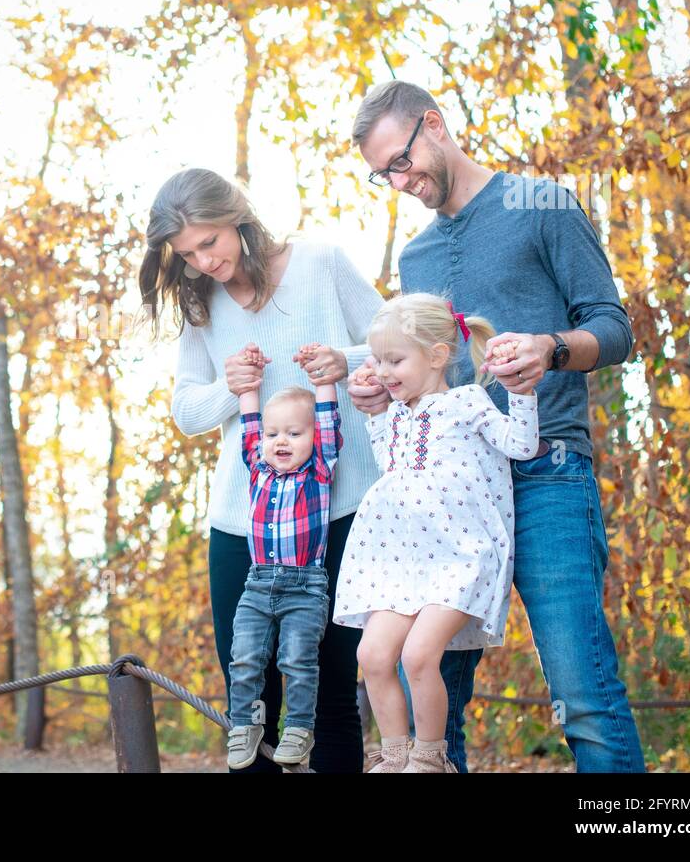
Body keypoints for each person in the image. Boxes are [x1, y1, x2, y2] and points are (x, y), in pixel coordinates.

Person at [346, 79, 646, 773]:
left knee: (581, 688)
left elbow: (615, 328)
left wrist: (550, 347)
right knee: (433, 711)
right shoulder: (417, 258)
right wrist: (382, 391)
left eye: (400, 160)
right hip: (444, 504)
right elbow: (431, 385)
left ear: (434, 124)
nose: (397, 180)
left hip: (546, 474)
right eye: (381, 173)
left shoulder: (539, 205)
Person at [139, 166, 383, 772]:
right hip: (243, 525)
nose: (203, 261)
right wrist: (230, 388)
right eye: (188, 253)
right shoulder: (202, 305)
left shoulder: (321, 263)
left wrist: (343, 361)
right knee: (249, 697)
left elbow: (396, 346)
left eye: (210, 242)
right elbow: (186, 410)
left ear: (237, 217)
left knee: (329, 693)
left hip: (338, 513)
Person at [334, 293, 539, 772]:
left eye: (393, 360)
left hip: (459, 556)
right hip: (401, 559)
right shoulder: (400, 413)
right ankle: (394, 754)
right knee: (372, 653)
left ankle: (430, 757)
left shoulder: (469, 401)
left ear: (437, 355)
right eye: (377, 360)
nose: (382, 371)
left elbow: (522, 446)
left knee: (419, 654)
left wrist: (523, 395)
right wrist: (377, 416)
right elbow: (391, 464)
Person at [226, 344, 343, 768]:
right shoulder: (257, 467)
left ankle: (298, 727)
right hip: (256, 584)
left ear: (314, 439)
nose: (281, 441)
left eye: (295, 434)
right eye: (275, 434)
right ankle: (244, 723)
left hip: (305, 588)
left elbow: (329, 422)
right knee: (245, 656)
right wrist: (250, 385)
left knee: (297, 659)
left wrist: (324, 382)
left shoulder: (320, 469)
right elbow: (251, 424)